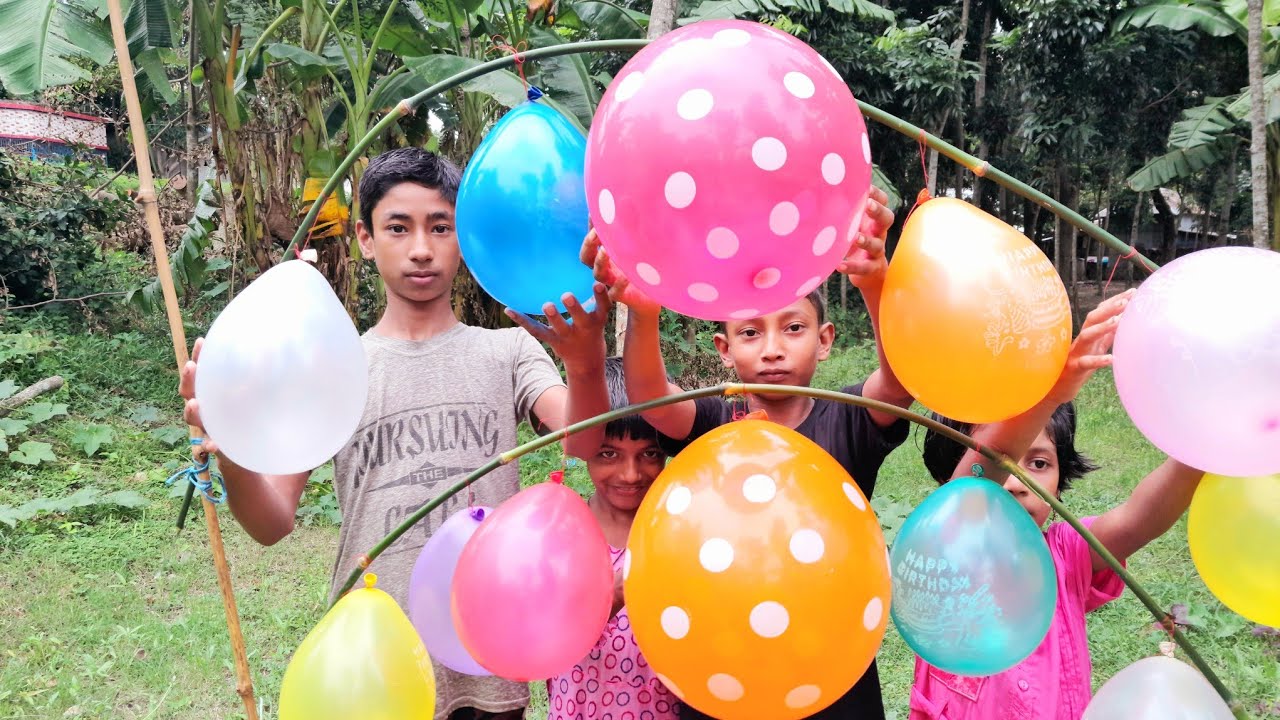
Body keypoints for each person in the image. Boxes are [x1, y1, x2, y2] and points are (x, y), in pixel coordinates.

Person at [179, 147, 613, 720]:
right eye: (397, 228)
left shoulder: (507, 350)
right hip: (373, 661)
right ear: (364, 237)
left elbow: (580, 442)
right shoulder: (332, 367)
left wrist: (584, 362)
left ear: (464, 238)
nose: (421, 249)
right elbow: (271, 523)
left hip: (489, 649)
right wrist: (231, 448)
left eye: (440, 228)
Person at [583, 186, 915, 720]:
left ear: (825, 339)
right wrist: (643, 312)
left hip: (828, 669)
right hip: (720, 667)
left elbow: (899, 384)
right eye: (750, 332)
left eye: (793, 327)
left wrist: (876, 285)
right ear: (725, 349)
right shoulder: (714, 421)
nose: (773, 348)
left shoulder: (849, 418)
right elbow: (651, 398)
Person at [912, 291, 1204, 720]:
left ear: (1060, 482)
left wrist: (1201, 446)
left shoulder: (1067, 552)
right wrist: (1047, 397)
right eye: (1001, 462)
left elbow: (1140, 519)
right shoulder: (942, 552)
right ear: (947, 474)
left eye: (1039, 463)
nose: (1015, 483)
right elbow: (970, 492)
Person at [540, 358, 681, 720]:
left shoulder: (681, 534)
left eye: (650, 453)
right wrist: (612, 597)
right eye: (608, 454)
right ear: (583, 449)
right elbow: (542, 641)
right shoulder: (559, 534)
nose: (630, 474)